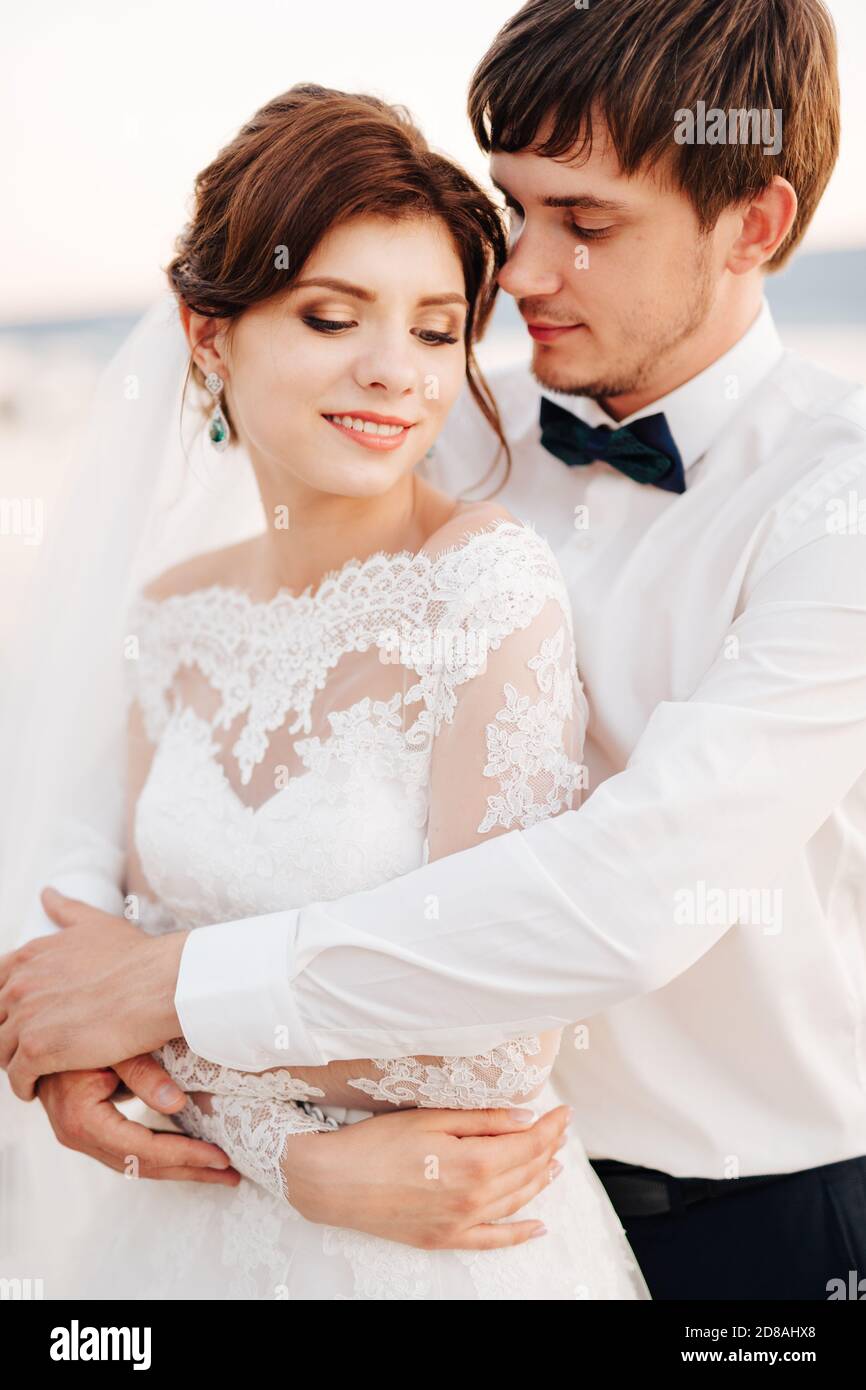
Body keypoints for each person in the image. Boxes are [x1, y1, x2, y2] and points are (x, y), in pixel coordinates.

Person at [3, 0, 865, 1299]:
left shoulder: (838, 501)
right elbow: (136, 727)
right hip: (372, 1190)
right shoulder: (441, 416)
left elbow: (625, 893)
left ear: (753, 222)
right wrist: (82, 1044)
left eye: (583, 223)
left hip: (749, 1222)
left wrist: (164, 992)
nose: (516, 273)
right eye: (515, 213)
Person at [0, 83, 648, 1300]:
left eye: (433, 327)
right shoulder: (173, 617)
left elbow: (494, 1042)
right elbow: (83, 941)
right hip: (190, 1243)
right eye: (330, 314)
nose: (391, 371)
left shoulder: (488, 591)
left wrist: (147, 1015)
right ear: (210, 334)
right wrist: (277, 1151)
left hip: (436, 1251)